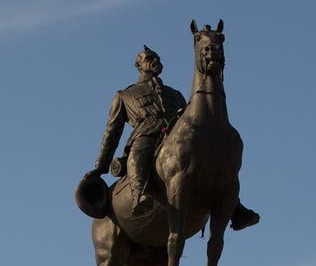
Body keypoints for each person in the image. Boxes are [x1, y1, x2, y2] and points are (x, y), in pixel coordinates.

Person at [89, 46, 258, 229]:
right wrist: (100, 167)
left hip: (175, 136)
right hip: (146, 133)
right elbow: (111, 133)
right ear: (138, 65)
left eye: (158, 58)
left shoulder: (175, 94)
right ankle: (140, 194)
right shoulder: (125, 95)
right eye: (150, 58)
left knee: (213, 160)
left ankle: (235, 208)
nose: (156, 61)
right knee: (139, 152)